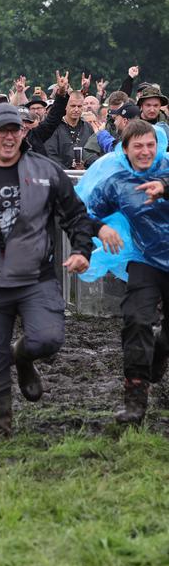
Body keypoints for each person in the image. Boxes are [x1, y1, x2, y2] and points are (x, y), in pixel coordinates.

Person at [0, 103, 117, 436]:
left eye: (14, 129)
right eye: (1, 130)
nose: (8, 136)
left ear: (23, 132)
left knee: (48, 339)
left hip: (35, 277)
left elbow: (74, 214)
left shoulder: (45, 170)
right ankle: (0, 429)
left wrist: (81, 249)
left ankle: (23, 356)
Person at [78, 121, 169, 425]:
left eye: (150, 145)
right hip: (146, 260)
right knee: (136, 320)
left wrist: (165, 187)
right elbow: (83, 213)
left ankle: (160, 348)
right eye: (138, 146)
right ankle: (135, 400)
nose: (145, 152)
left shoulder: (167, 167)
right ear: (125, 149)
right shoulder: (116, 182)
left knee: (164, 338)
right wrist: (100, 228)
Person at [44, 80, 93, 169]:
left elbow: (93, 153)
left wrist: (85, 166)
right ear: (65, 106)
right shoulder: (54, 127)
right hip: (61, 176)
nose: (76, 109)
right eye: (73, 106)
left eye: (79, 106)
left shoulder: (88, 127)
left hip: (85, 176)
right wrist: (69, 170)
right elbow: (50, 155)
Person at [83, 98, 140, 166]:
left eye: (116, 118)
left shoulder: (133, 140)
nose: (115, 122)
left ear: (125, 121)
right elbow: (88, 153)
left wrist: (101, 134)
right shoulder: (146, 133)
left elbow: (117, 149)